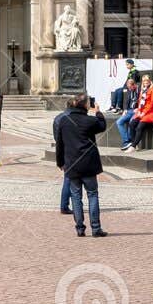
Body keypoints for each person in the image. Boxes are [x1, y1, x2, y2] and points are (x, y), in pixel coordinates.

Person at [54, 95, 107, 236]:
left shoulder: (64, 120)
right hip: (88, 164)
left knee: (76, 196)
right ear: (85, 106)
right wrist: (98, 112)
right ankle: (96, 228)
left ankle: (80, 228)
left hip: (72, 164)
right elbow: (102, 126)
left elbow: (60, 144)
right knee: (92, 195)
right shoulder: (90, 120)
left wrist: (60, 162)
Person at [125, 74, 153, 152]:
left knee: (139, 127)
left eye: (147, 80)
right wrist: (139, 110)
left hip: (150, 113)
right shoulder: (142, 90)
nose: (145, 82)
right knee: (132, 124)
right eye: (144, 81)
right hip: (142, 112)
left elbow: (152, 104)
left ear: (150, 81)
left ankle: (133, 146)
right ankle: (135, 144)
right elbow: (140, 102)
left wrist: (144, 112)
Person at [114, 77, 141, 148]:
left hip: (137, 111)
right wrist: (125, 109)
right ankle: (126, 142)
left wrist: (139, 108)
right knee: (119, 122)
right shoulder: (129, 90)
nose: (129, 89)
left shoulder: (140, 89)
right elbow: (127, 100)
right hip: (129, 110)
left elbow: (143, 101)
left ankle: (130, 141)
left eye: (130, 87)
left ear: (134, 85)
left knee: (131, 122)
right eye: (128, 87)